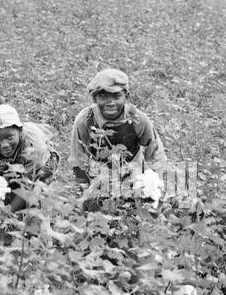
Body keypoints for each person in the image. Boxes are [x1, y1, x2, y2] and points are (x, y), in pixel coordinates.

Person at [69, 68, 167, 205]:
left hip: (134, 173)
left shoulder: (138, 119)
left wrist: (156, 183)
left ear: (126, 97)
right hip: (99, 175)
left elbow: (155, 152)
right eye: (103, 96)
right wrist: (84, 187)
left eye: (116, 96)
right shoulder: (85, 120)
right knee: (89, 208)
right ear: (95, 98)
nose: (110, 103)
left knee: (145, 207)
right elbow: (77, 157)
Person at [0, 104, 59, 212]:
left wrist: (7, 212)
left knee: (36, 194)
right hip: (14, 166)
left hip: (41, 166)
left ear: (19, 131)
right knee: (2, 193)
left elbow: (27, 187)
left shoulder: (32, 146)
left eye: (10, 137)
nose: (5, 145)